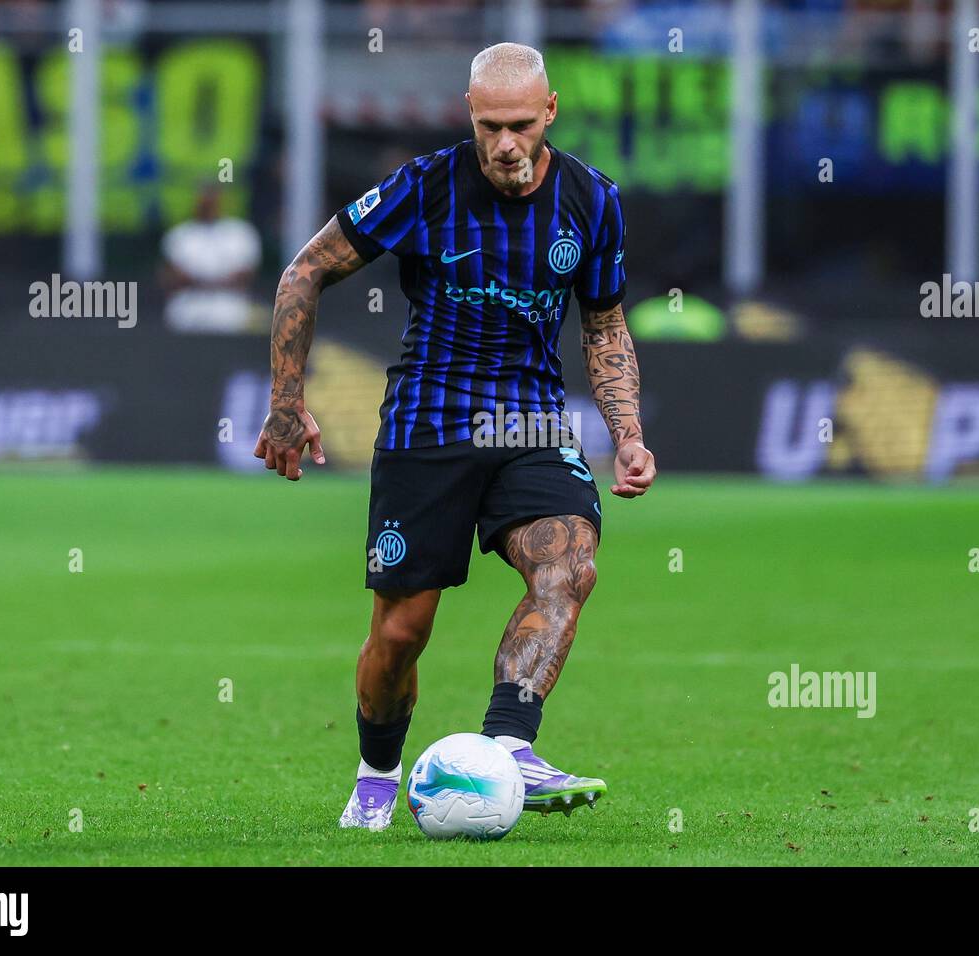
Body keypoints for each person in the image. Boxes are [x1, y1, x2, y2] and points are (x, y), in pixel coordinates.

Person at [253, 42, 656, 829]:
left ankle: (508, 749)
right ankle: (376, 774)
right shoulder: (426, 186)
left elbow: (604, 322)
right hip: (427, 424)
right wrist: (284, 401)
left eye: (519, 125)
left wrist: (628, 431)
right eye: (487, 126)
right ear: (470, 118)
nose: (505, 144)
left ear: (550, 113)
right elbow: (305, 270)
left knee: (569, 565)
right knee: (402, 632)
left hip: (532, 421)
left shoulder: (593, 201)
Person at [160, 186, 261, 334]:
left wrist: (201, 280)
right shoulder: (179, 234)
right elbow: (171, 276)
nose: (208, 202)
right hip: (189, 302)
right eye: (204, 196)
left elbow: (245, 274)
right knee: (178, 315)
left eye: (212, 196)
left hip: (229, 302)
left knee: (234, 317)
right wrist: (214, 280)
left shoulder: (241, 232)